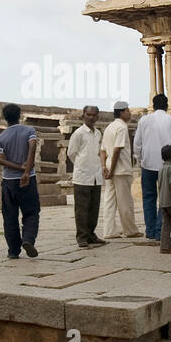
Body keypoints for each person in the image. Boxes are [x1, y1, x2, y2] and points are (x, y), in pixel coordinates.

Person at [132, 93, 171, 242]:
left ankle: (150, 230)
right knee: (165, 199)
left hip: (148, 164)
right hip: (167, 165)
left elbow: (137, 143)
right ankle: (160, 231)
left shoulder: (144, 120)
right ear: (167, 106)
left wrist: (140, 159)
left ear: (153, 106)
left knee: (148, 197)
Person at [0, 102, 39, 259]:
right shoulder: (29, 130)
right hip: (28, 179)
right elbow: (32, 147)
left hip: (8, 182)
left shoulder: (1, 138)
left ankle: (13, 251)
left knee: (10, 216)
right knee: (31, 212)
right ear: (19, 115)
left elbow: (0, 159)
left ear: (4, 118)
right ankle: (28, 239)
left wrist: (18, 168)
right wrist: (26, 170)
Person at [98, 101, 142, 239]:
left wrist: (104, 166)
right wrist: (111, 170)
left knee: (109, 200)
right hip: (120, 169)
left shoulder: (109, 127)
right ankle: (130, 230)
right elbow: (117, 149)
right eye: (128, 110)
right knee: (125, 201)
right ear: (122, 112)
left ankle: (109, 231)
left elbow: (103, 150)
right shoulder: (122, 128)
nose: (129, 113)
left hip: (110, 168)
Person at [66, 105, 107, 249]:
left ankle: (91, 234)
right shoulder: (78, 133)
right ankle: (82, 237)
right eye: (88, 114)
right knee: (81, 209)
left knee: (93, 208)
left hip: (96, 176)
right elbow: (71, 153)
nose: (91, 117)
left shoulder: (98, 134)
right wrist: (81, 165)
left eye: (94, 115)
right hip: (82, 176)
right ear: (83, 115)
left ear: (97, 116)